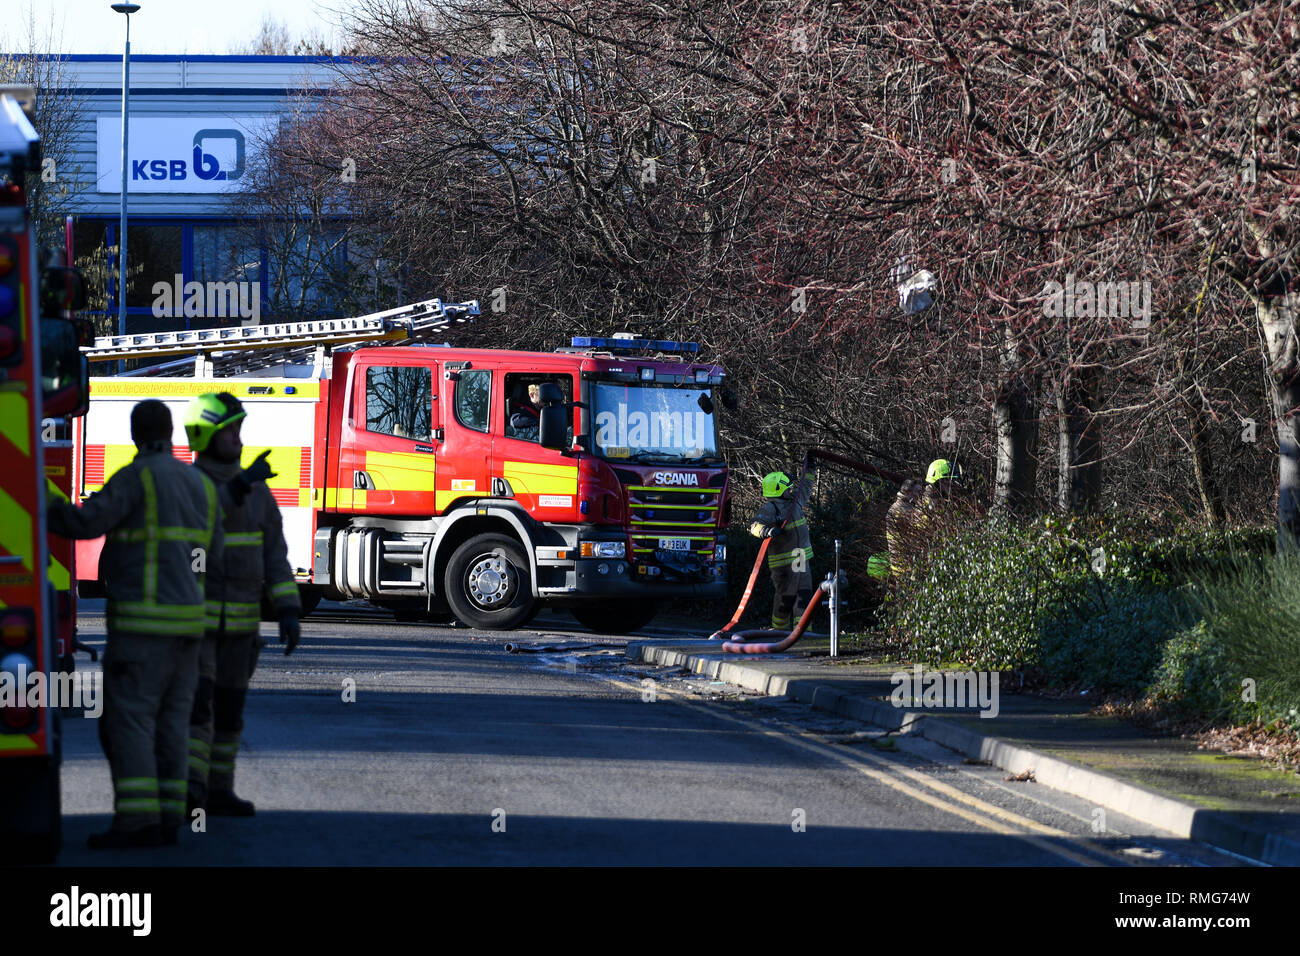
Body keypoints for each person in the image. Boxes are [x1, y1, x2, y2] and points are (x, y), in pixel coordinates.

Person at [47, 400, 222, 849]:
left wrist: (39, 489)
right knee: (172, 722)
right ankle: (167, 820)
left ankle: (136, 823)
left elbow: (84, 524)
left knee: (131, 722)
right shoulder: (197, 484)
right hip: (189, 630)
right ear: (170, 432)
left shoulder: (135, 478)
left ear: (134, 435)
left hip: (144, 630)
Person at [183, 393, 301, 817]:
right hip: (197, 628)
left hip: (241, 632)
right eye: (230, 429)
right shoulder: (193, 485)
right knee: (198, 710)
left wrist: (288, 609)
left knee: (230, 713)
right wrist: (238, 485)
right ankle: (189, 791)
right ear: (207, 435)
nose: (238, 436)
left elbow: (275, 554)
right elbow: (199, 524)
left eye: (239, 427)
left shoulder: (256, 490)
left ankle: (219, 791)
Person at [748, 461, 815, 629]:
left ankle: (803, 632)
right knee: (786, 596)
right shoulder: (770, 509)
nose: (790, 491)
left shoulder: (795, 502)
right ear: (778, 490)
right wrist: (767, 531)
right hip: (782, 564)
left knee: (803, 593)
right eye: (787, 488)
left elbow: (806, 486)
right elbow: (753, 525)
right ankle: (779, 630)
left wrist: (810, 469)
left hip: (799, 557)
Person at [885, 478, 925, 576]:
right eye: (918, 492)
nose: (921, 496)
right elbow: (920, 528)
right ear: (907, 492)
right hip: (904, 566)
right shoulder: (901, 509)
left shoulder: (904, 506)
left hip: (902, 564)